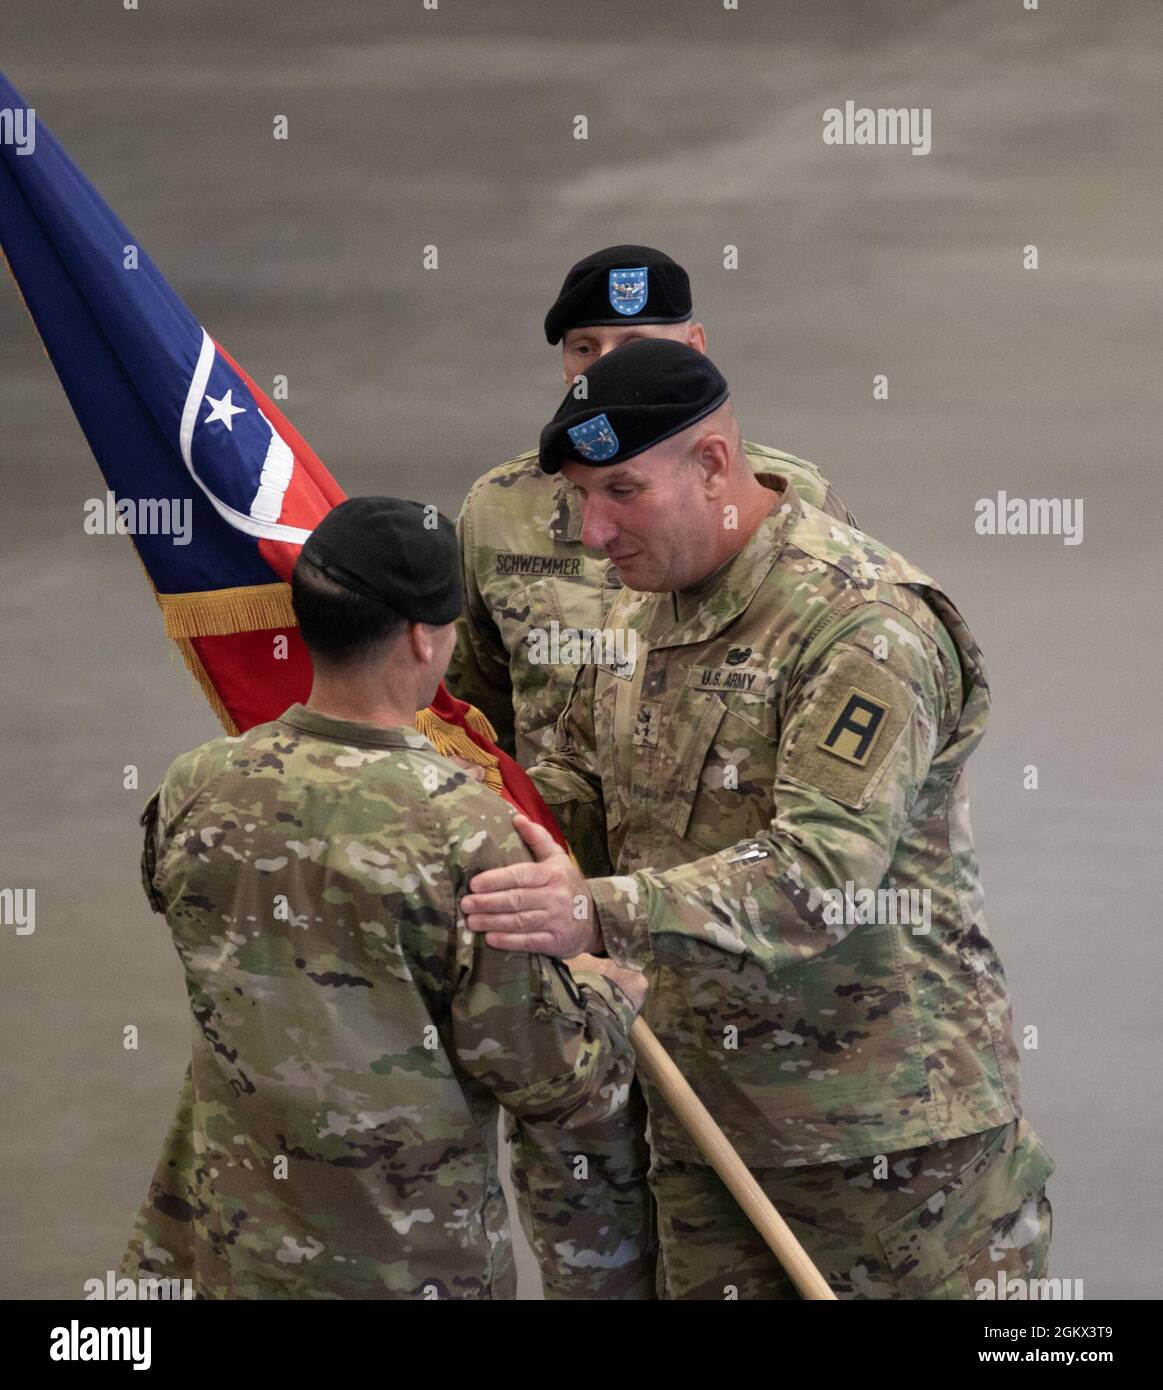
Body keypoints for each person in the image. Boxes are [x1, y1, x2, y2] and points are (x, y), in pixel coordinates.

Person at [461, 341, 1056, 1300]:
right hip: (704, 1122)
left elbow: (817, 880)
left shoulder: (859, 623)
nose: (594, 529)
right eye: (577, 497)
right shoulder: (633, 614)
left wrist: (594, 913)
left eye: (621, 491)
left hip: (887, 1147)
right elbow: (573, 795)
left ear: (712, 464)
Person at [119, 497, 650, 1300]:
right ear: (422, 636)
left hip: (239, 1240)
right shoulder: (466, 827)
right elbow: (546, 1077)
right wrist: (608, 993)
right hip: (411, 1261)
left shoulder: (196, 783)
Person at [447, 243, 855, 773]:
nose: (606, 367)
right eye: (583, 349)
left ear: (695, 347)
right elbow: (472, 715)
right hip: (561, 835)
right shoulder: (498, 509)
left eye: (636, 343)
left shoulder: (784, 494)